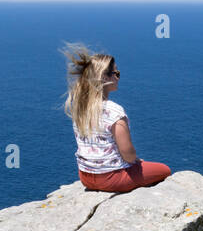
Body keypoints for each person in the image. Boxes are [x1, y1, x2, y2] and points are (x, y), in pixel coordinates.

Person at [65, 46, 171, 193]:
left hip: (86, 177)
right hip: (113, 178)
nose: (118, 77)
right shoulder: (114, 111)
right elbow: (128, 154)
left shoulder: (80, 109)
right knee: (164, 170)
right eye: (116, 73)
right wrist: (136, 161)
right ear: (105, 77)